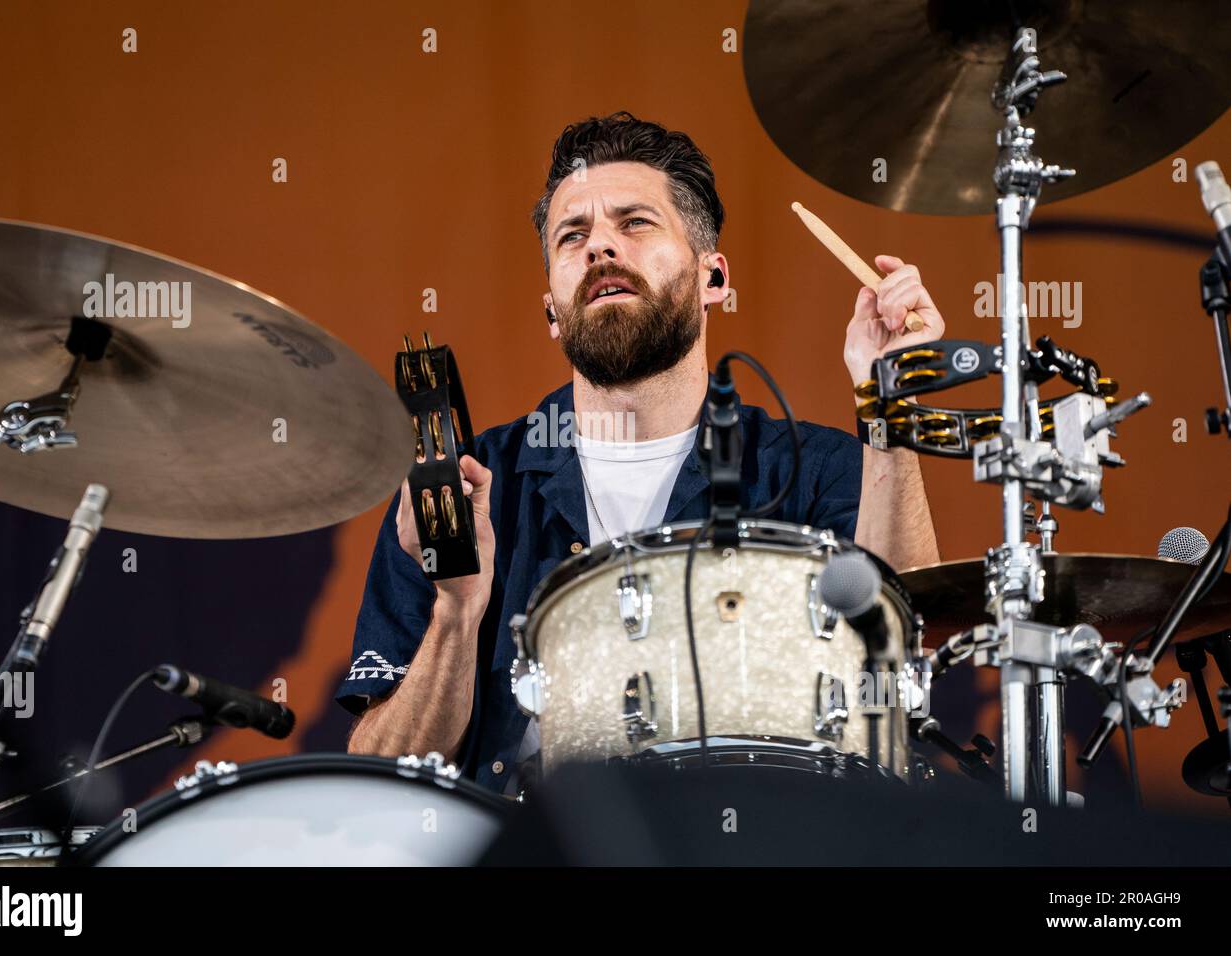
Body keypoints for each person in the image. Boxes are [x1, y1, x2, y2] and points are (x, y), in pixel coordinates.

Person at [337, 112, 942, 791]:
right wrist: (456, 611)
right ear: (551, 310)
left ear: (713, 278)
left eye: (634, 223)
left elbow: (901, 655)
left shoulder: (811, 469)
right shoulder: (471, 487)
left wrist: (891, 398)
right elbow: (378, 784)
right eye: (574, 236)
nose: (600, 247)